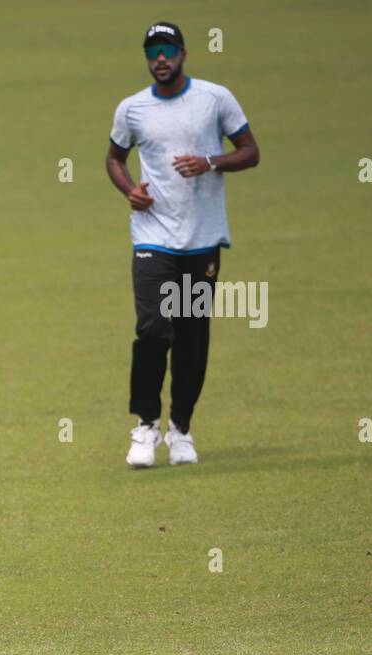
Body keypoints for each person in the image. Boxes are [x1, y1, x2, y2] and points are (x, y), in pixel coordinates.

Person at [106, 21, 260, 467]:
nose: (160, 58)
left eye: (167, 50)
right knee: (154, 329)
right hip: (153, 238)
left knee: (192, 337)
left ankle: (182, 430)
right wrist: (130, 190)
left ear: (183, 54)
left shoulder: (214, 99)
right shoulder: (132, 109)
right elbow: (114, 157)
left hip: (201, 240)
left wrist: (211, 161)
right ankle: (146, 426)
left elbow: (250, 151)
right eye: (153, 50)